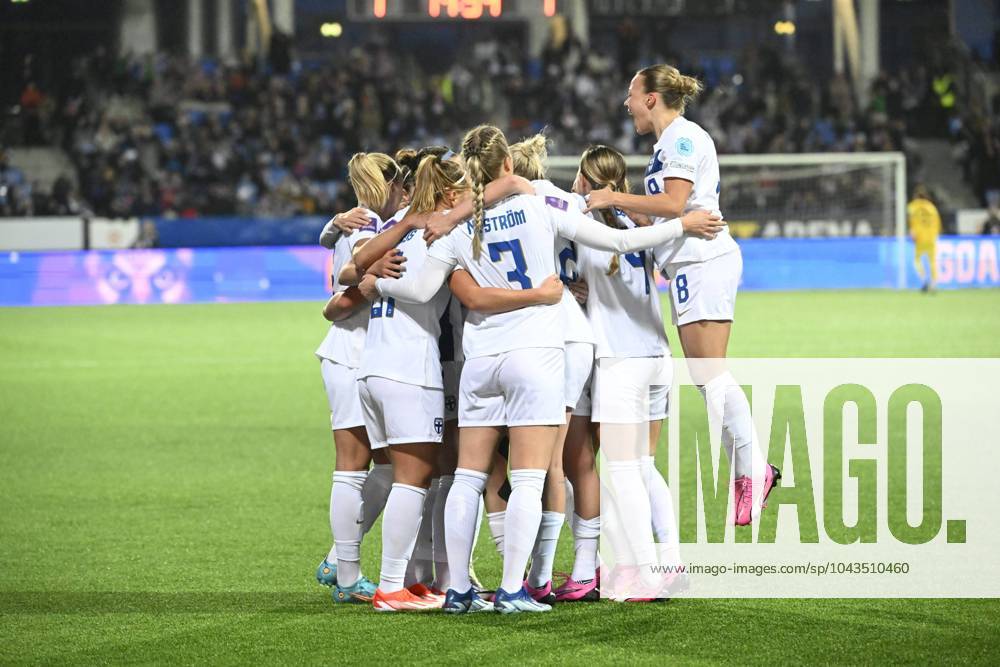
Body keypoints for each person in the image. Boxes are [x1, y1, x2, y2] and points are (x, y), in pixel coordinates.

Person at [361, 124, 723, 613]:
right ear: (506, 163)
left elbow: (422, 290)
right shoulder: (541, 206)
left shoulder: (455, 227)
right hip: (535, 354)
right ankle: (513, 589)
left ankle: (460, 591)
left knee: (468, 477)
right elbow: (616, 243)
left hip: (480, 361)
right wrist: (683, 224)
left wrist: (374, 284)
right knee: (531, 478)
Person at [585, 64, 779, 526]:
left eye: (632, 94)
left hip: (704, 260)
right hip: (688, 265)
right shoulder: (664, 146)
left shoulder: (682, 139)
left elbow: (674, 206)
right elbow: (665, 220)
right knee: (706, 377)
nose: (626, 103)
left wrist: (614, 199)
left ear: (652, 98)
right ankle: (751, 470)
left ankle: (755, 469)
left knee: (711, 375)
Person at [568, 145, 683, 601]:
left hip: (620, 363)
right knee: (643, 466)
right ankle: (670, 560)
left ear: (583, 179)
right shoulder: (639, 224)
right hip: (658, 358)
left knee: (621, 471)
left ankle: (644, 573)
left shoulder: (583, 224)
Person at [314, 152, 405, 604]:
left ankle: (338, 558)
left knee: (388, 467)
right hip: (351, 353)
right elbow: (349, 293)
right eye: (400, 185)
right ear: (387, 185)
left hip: (363, 356)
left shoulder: (354, 222)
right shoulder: (367, 224)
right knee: (352, 468)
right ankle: (347, 577)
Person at [908, 185, 941, 292]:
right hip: (931, 238)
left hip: (920, 239)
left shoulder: (912, 206)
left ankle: (924, 280)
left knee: (917, 260)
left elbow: (910, 219)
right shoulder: (932, 208)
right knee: (932, 262)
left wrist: (912, 231)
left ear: (915, 196)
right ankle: (934, 284)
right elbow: (938, 224)